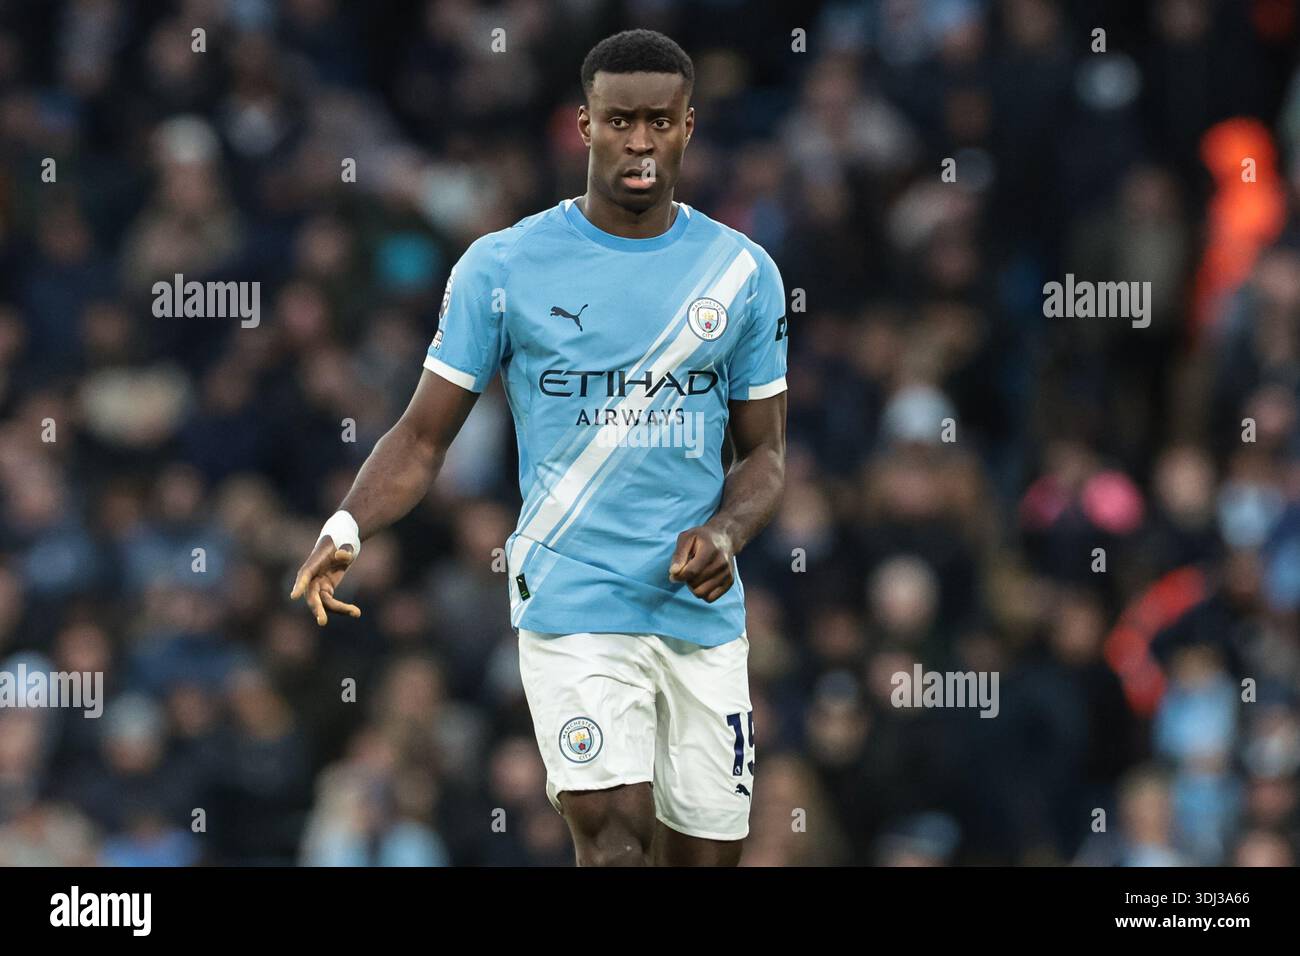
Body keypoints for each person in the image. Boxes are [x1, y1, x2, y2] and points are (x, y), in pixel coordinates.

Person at [289, 29, 788, 866]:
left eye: (659, 122)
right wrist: (347, 527)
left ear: (688, 127)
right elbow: (421, 435)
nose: (639, 140)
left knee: (705, 857)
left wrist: (729, 534)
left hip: (698, 611)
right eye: (619, 119)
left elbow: (766, 456)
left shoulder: (743, 274)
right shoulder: (503, 267)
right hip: (571, 596)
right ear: (583, 125)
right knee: (614, 836)